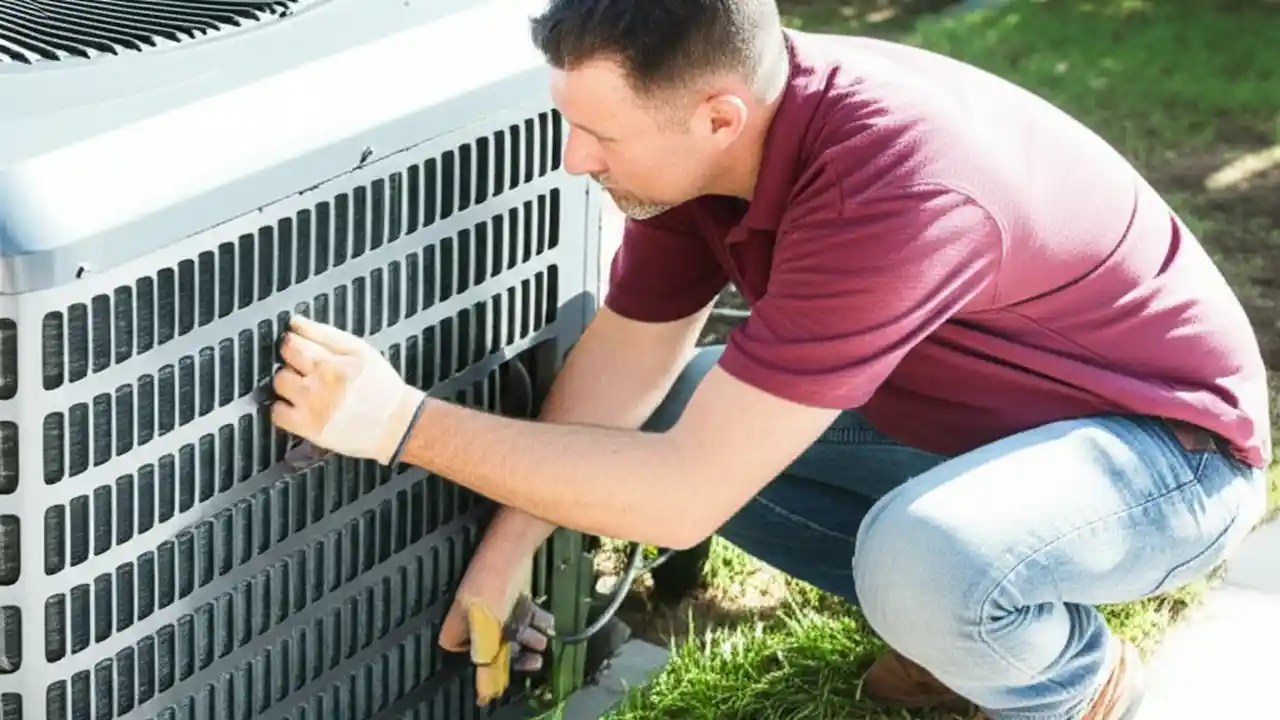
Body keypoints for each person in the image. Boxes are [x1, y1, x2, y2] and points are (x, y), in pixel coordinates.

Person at [267, 1, 1273, 718]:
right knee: (678, 410)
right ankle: (947, 619)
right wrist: (502, 560)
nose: (574, 159)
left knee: (922, 559)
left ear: (715, 117)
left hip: (1166, 459)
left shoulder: (894, 187)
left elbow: (676, 504)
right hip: (987, 431)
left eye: (595, 133)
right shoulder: (704, 150)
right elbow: (624, 367)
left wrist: (398, 424)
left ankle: (1071, 682)